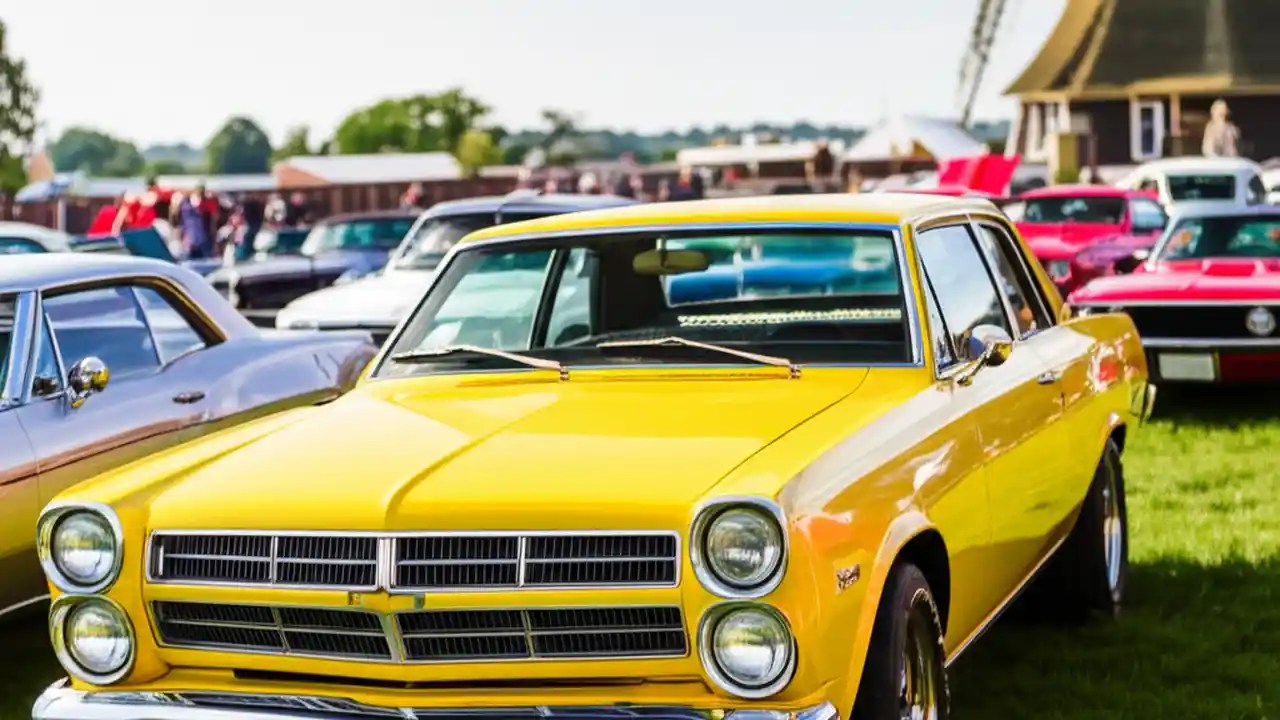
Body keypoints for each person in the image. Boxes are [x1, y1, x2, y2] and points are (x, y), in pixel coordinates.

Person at [178, 184, 215, 259]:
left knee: (196, 247)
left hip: (195, 231)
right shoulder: (186, 205)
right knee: (194, 247)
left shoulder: (188, 205)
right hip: (193, 231)